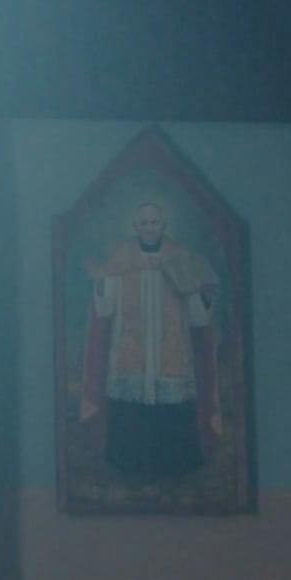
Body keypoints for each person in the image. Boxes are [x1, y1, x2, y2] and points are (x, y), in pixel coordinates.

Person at [80, 194, 219, 482]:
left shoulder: (180, 257)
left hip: (172, 353)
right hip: (130, 353)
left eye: (154, 221)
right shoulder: (120, 258)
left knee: (172, 412)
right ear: (135, 225)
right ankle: (128, 466)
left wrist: (202, 296)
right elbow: (105, 308)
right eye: (143, 222)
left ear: (164, 224)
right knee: (131, 412)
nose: (149, 227)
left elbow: (198, 317)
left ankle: (176, 468)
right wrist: (101, 280)